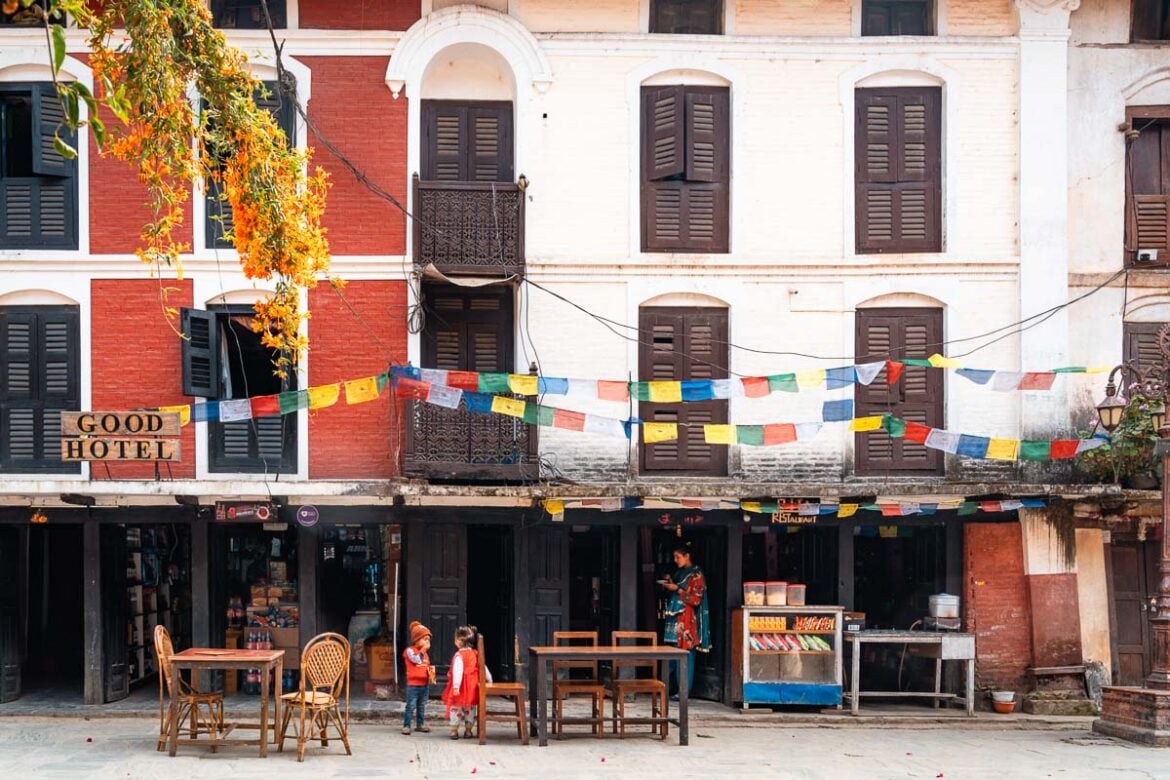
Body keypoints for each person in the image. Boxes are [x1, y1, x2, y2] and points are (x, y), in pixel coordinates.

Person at [661, 542, 710, 698]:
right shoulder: (681, 573)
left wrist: (678, 589)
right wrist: (670, 582)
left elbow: (696, 599)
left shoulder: (696, 574)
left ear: (687, 556)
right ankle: (669, 688)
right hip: (674, 619)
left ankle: (683, 692)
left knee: (685, 656)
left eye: (678, 556)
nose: (675, 560)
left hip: (686, 620)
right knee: (671, 656)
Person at [441, 625, 492, 739]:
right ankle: (468, 731)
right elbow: (483, 666)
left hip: (462, 686)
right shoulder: (475, 653)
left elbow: (458, 671)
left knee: (456, 707)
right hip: (472, 685)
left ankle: (454, 731)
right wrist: (489, 678)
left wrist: (455, 686)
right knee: (470, 708)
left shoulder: (459, 655)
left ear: (459, 641)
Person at [402, 620, 434, 735]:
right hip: (413, 685)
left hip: (424, 685)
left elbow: (426, 666)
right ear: (416, 639)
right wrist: (424, 649)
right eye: (425, 639)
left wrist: (431, 675)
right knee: (410, 705)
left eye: (428, 639)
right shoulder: (410, 651)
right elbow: (416, 660)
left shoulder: (425, 654)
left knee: (421, 706)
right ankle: (406, 725)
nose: (427, 642)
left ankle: (420, 724)